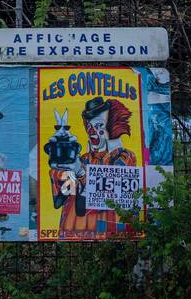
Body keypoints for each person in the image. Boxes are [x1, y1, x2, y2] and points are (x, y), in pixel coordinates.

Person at [49, 97, 137, 240]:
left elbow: (109, 194)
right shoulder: (83, 159)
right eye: (89, 126)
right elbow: (60, 200)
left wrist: (81, 173)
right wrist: (59, 172)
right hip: (73, 235)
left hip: (109, 237)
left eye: (99, 125)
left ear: (112, 126)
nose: (91, 131)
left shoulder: (124, 157)